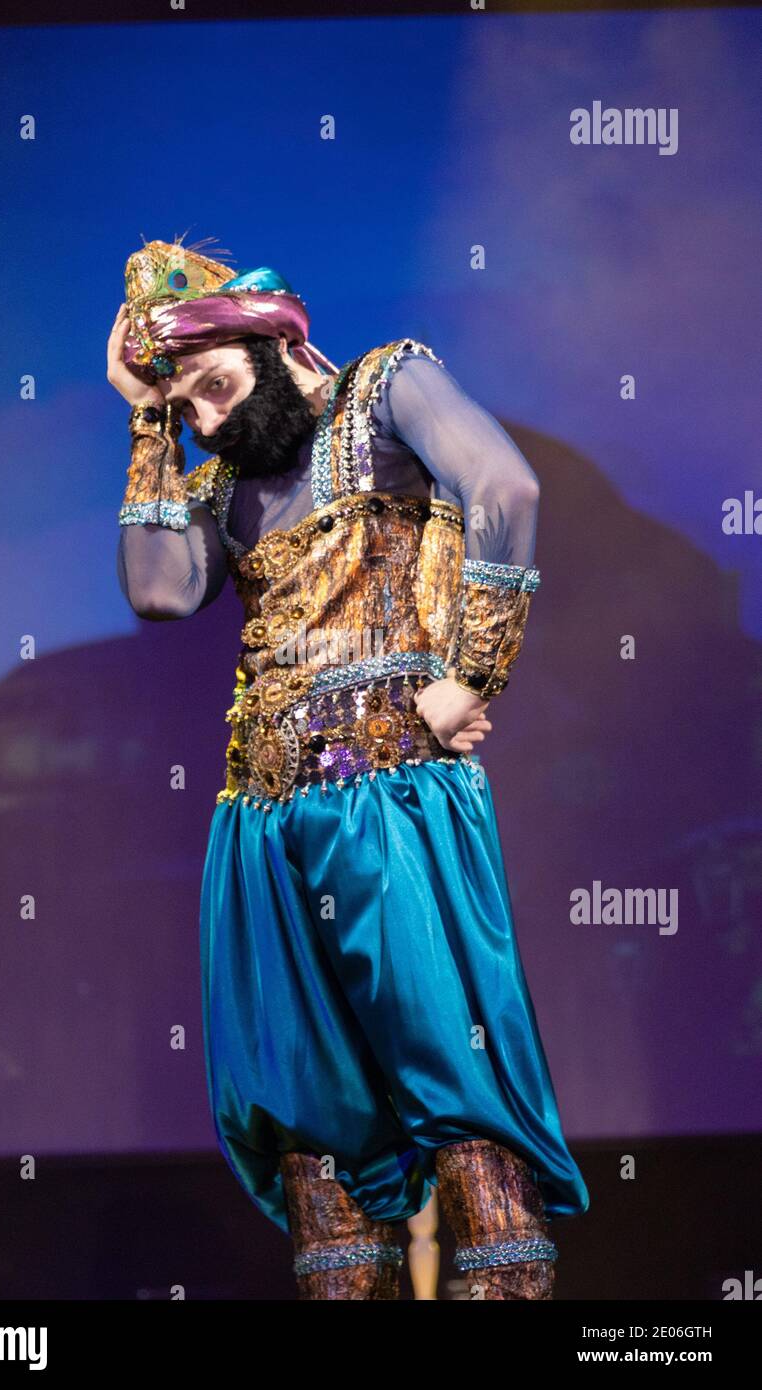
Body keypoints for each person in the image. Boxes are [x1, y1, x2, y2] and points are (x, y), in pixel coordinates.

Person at [108, 234, 589, 1300]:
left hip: (389, 801)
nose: (208, 419)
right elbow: (157, 592)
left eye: (213, 388)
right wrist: (144, 416)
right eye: (185, 406)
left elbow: (502, 483)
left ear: (271, 341)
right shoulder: (221, 480)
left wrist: (472, 673)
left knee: (457, 1084)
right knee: (305, 1121)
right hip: (257, 821)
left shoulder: (383, 387)